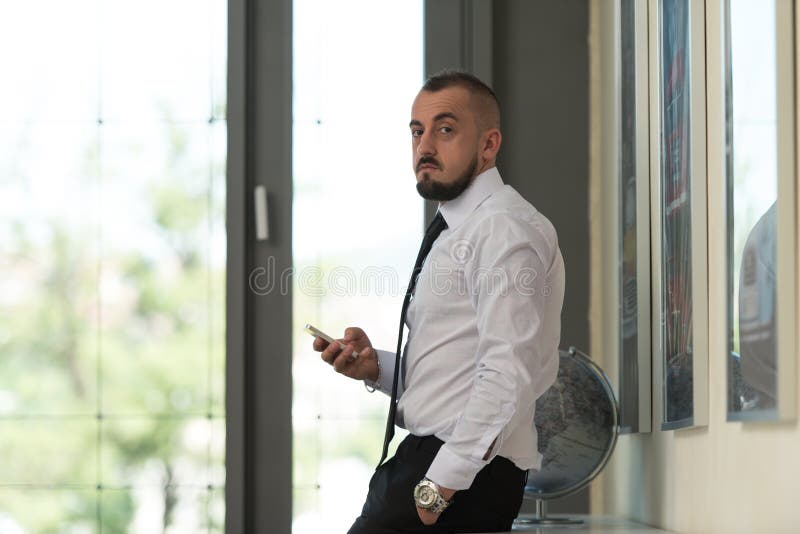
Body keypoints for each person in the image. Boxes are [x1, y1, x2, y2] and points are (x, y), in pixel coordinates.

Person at [312, 70, 565, 533]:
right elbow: (456, 371)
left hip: (456, 479)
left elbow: (508, 371)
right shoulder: (462, 229)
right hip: (434, 466)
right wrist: (376, 368)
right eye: (417, 130)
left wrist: (438, 487)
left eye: (445, 129)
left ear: (489, 145)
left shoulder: (502, 229)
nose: (424, 146)